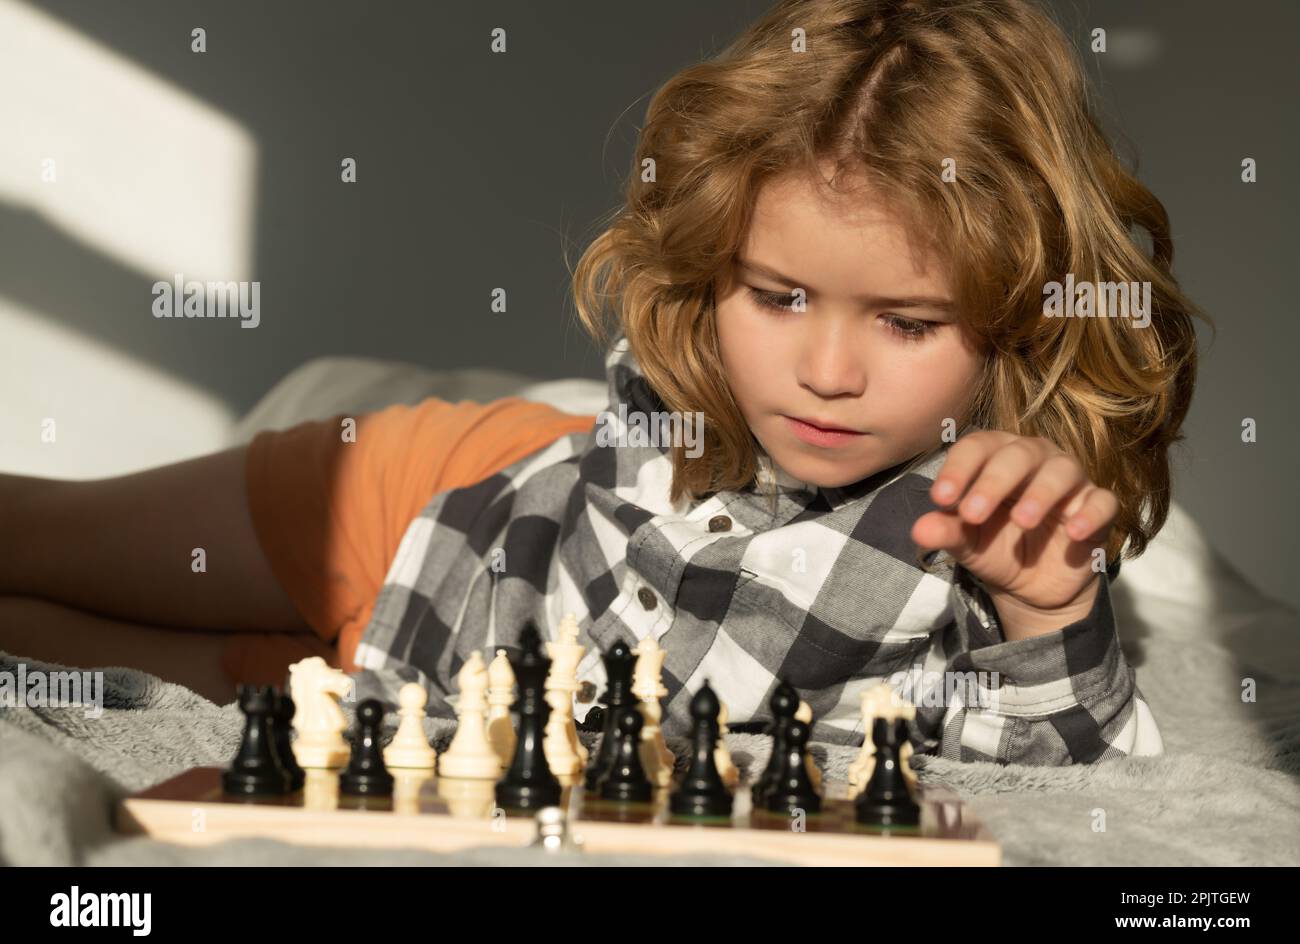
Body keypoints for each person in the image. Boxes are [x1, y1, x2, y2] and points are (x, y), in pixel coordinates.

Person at [0, 0, 1204, 762]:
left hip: (426, 695)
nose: (827, 372)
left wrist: (1050, 608)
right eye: (775, 295)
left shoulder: (996, 519)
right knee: (26, 534)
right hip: (433, 494)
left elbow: (1087, 748)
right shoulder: (680, 381)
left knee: (58, 660)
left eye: (906, 320)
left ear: (1013, 325)